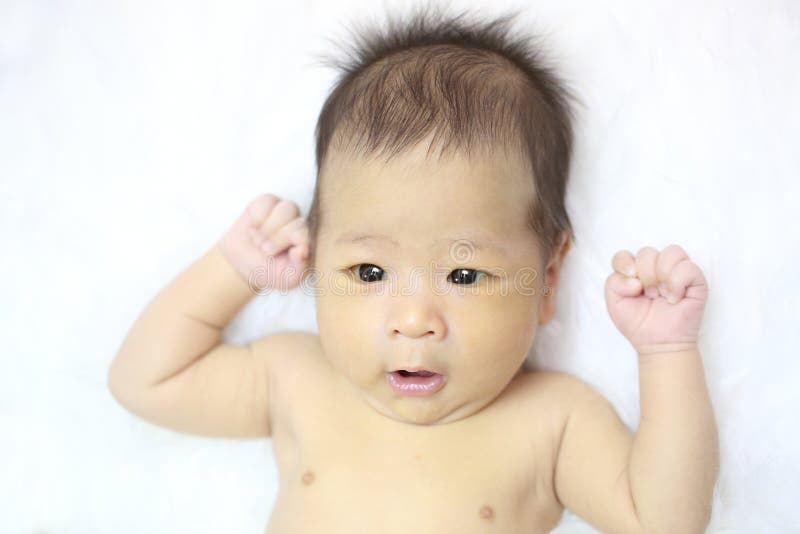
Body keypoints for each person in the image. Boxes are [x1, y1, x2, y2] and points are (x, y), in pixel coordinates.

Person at [108, 5, 719, 532]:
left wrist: (665, 354)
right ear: (316, 258)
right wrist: (234, 270)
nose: (413, 320)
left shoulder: (552, 420)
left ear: (547, 280)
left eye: (464, 275)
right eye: (369, 272)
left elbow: (665, 520)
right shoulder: (297, 377)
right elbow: (146, 382)